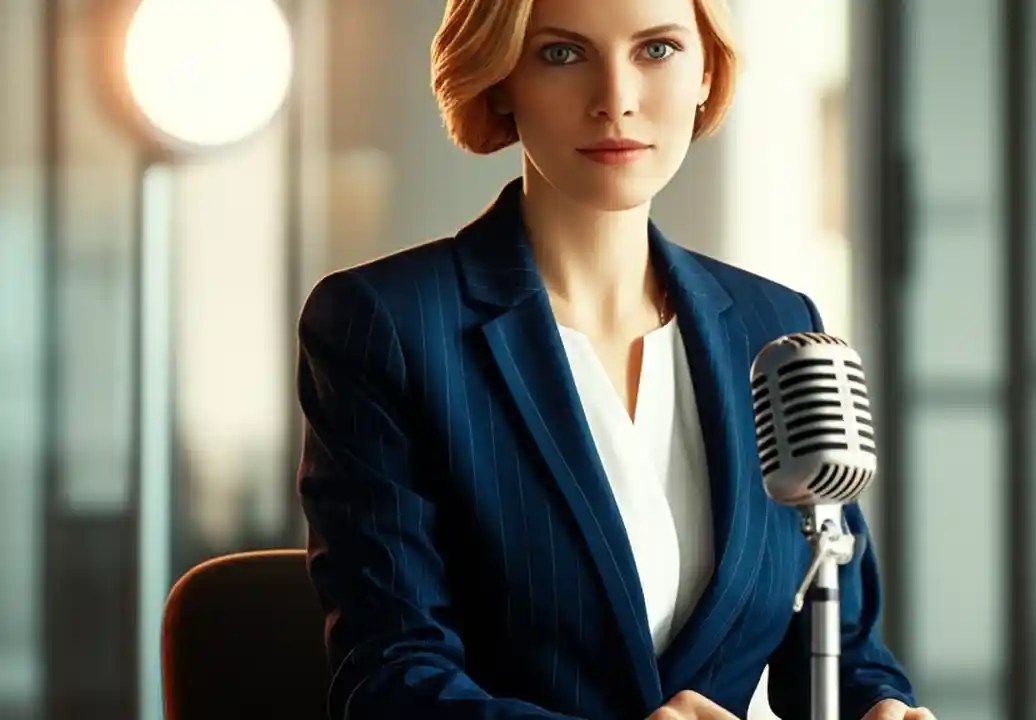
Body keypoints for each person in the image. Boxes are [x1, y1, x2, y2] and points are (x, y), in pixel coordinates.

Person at [294, 0, 931, 718]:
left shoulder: (776, 326)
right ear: (502, 77)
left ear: (706, 71)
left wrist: (882, 706)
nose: (616, 102)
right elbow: (390, 680)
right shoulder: (386, 326)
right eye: (562, 55)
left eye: (657, 51)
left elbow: (842, 645)